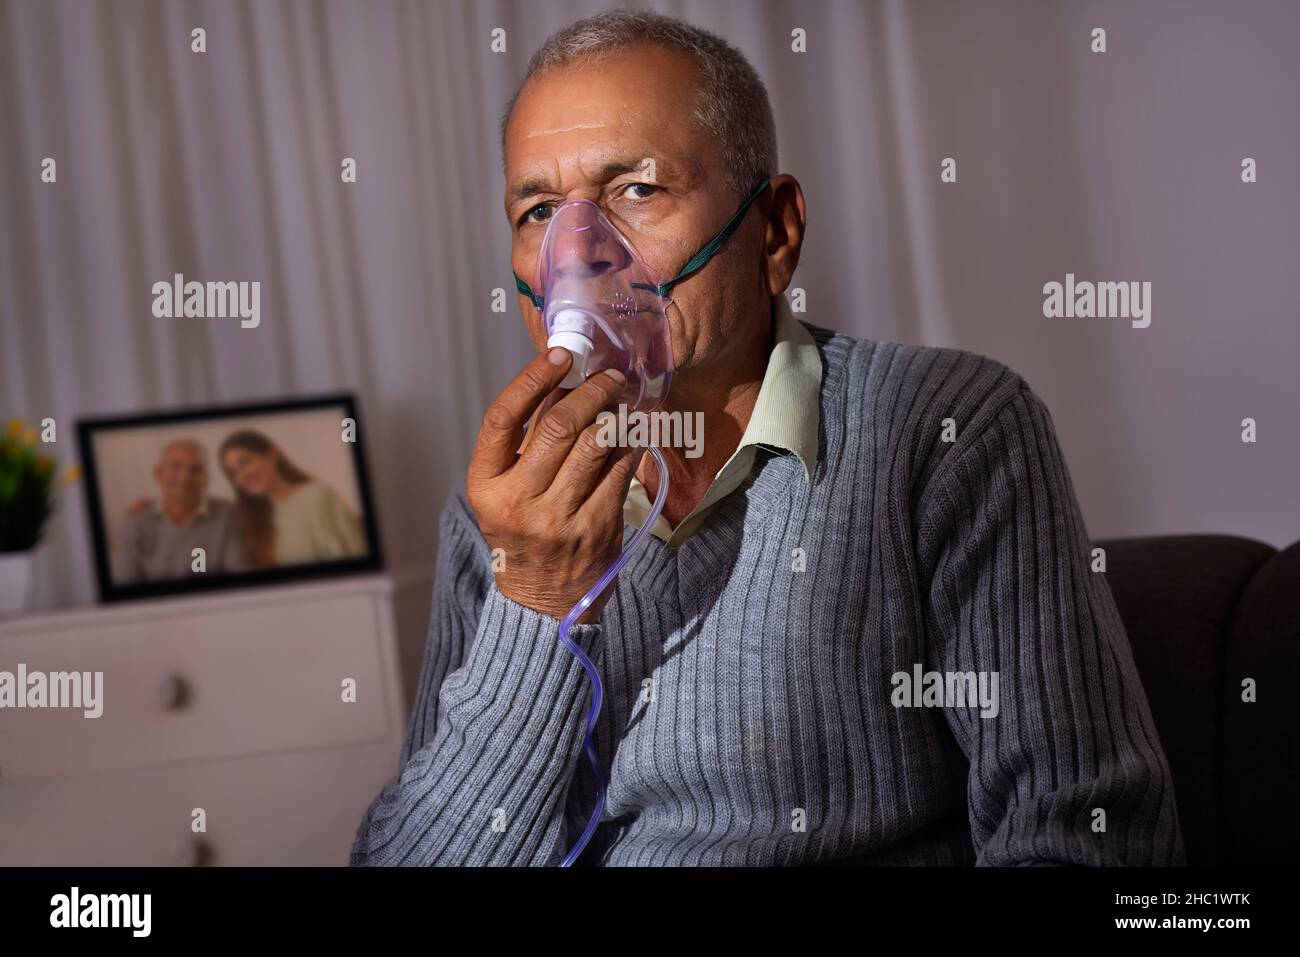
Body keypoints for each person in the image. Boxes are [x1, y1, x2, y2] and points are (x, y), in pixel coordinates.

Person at [351, 10, 1184, 867]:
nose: (579, 254)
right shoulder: (504, 512)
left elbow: (1093, 839)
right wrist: (534, 601)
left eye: (637, 190)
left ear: (775, 232)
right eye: (536, 211)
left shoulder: (944, 432)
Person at [218, 430, 365, 567]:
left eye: (244, 462)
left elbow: (355, 553)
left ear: (272, 456)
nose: (242, 476)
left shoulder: (318, 495)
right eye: (233, 473)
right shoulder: (253, 522)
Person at [111, 439, 248, 583]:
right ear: (158, 473)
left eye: (195, 469)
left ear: (206, 479)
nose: (185, 477)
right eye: (175, 467)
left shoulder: (228, 514)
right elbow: (125, 583)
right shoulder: (135, 523)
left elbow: (238, 573)